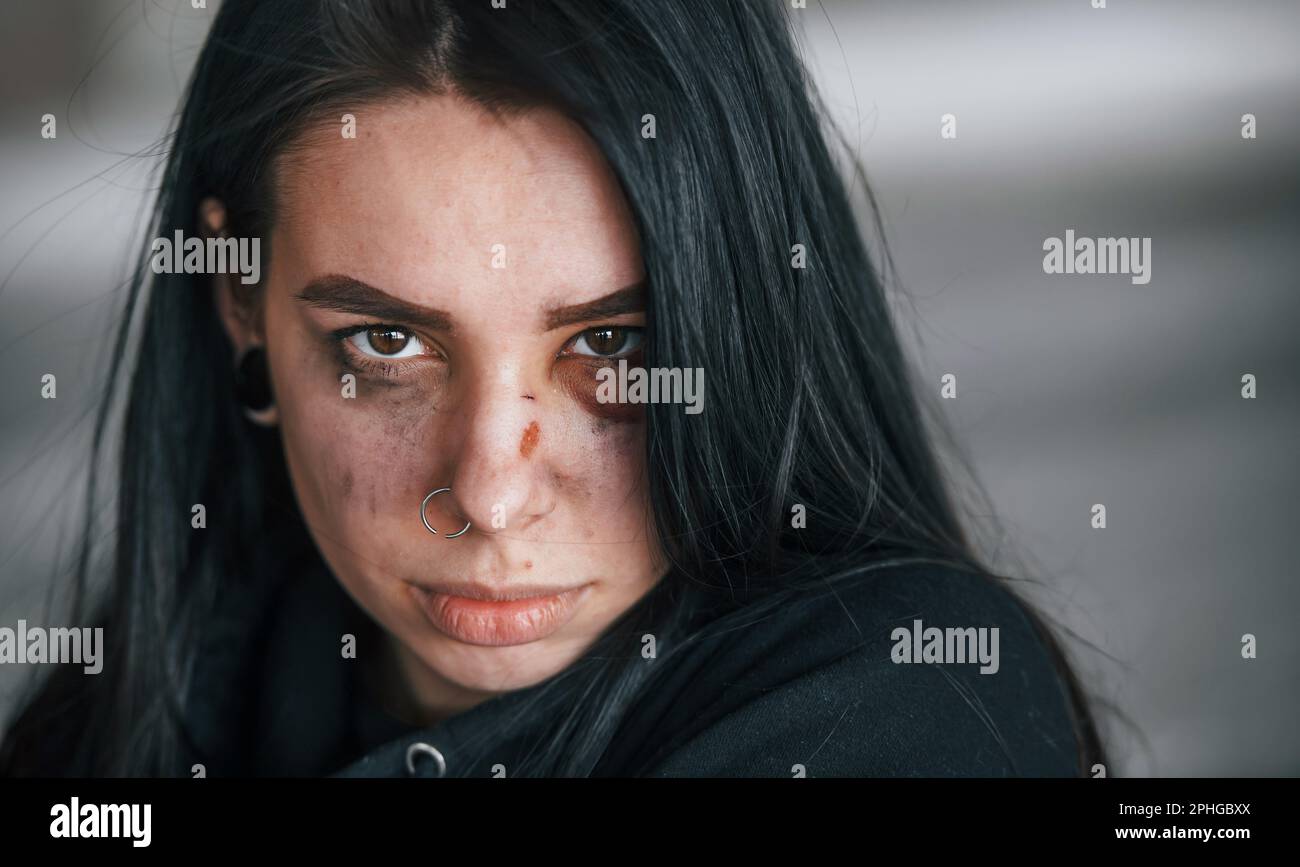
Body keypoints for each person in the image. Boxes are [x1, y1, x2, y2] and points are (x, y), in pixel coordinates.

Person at [0, 0, 1103, 777]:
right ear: (239, 301)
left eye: (615, 348)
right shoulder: (139, 698)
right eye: (384, 342)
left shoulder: (907, 705)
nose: (489, 494)